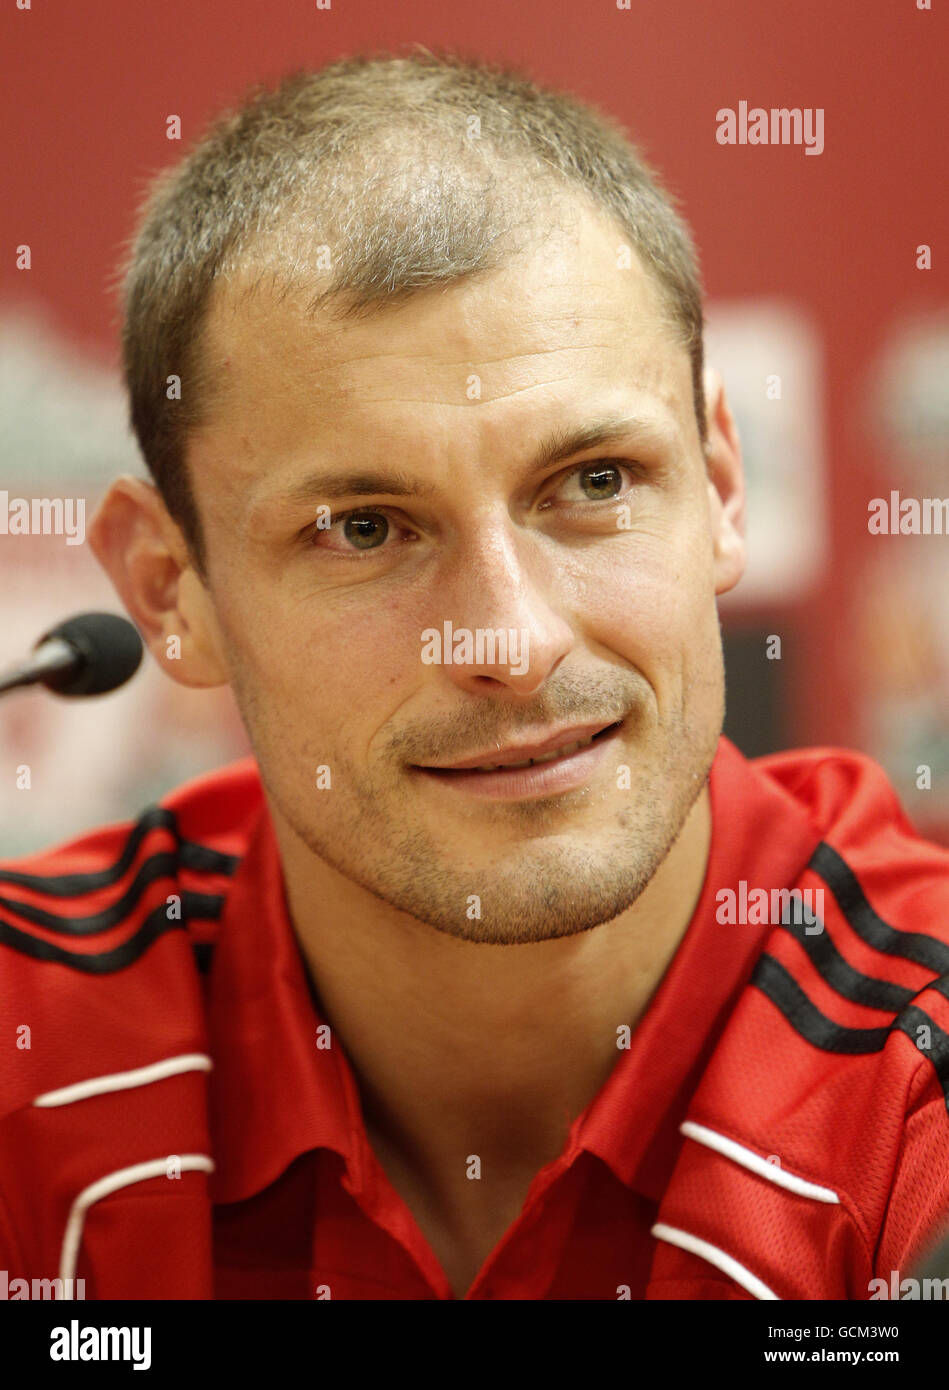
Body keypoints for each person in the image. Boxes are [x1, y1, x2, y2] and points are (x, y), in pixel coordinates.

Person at [1, 48, 948, 1302]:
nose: (508, 645)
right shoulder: (34, 1040)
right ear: (172, 588)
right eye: (364, 528)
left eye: (594, 482)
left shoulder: (913, 1060)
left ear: (721, 486)